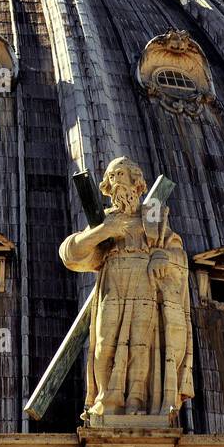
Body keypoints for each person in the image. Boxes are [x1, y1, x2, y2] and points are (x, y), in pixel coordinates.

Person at [60, 156, 193, 420]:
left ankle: (135, 401)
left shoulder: (154, 220)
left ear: (137, 183)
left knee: (141, 345)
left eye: (121, 174)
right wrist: (103, 232)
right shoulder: (104, 222)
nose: (116, 181)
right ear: (107, 187)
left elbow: (177, 253)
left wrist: (161, 256)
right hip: (113, 285)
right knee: (103, 343)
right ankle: (106, 399)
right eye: (111, 177)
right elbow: (71, 254)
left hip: (145, 284)